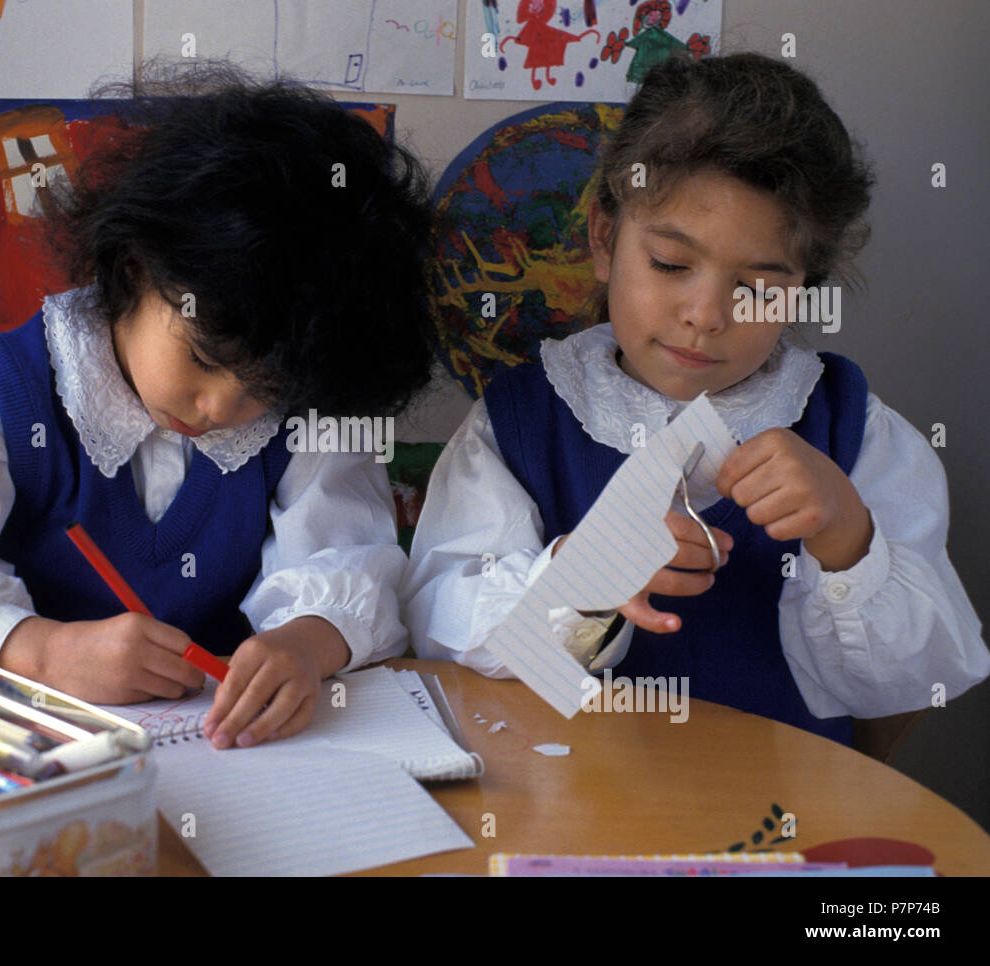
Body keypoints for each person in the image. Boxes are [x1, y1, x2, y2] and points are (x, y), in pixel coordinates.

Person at [0, 67, 438, 750]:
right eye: (205, 360)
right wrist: (41, 652)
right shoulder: (0, 402)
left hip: (226, 761)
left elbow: (351, 559)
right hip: (23, 759)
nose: (222, 406)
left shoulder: (303, 418)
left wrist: (309, 642)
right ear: (133, 271)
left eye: (266, 388)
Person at [403, 52, 988, 743]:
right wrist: (580, 583)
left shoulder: (858, 433)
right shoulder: (520, 422)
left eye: (759, 285)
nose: (707, 315)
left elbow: (915, 682)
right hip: (568, 813)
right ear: (603, 237)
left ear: (803, 286)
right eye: (671, 265)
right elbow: (442, 637)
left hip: (780, 815)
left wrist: (847, 539)